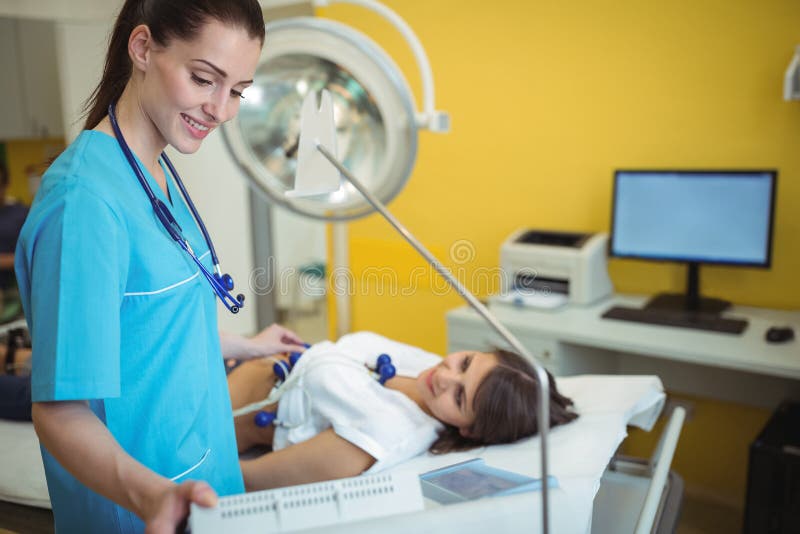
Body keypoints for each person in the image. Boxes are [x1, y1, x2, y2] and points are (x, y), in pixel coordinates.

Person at [12, 1, 282, 532]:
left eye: (237, 91)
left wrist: (245, 344)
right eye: (205, 79)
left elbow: (146, 321)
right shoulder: (84, 203)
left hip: (207, 476)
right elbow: (59, 411)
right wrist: (151, 495)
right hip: (142, 507)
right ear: (142, 48)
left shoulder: (154, 172)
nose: (221, 110)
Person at [227, 332, 578, 490]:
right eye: (465, 361)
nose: (444, 376)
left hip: (213, 409)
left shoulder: (383, 432)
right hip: (234, 353)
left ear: (468, 430)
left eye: (459, 397)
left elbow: (248, 477)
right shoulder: (425, 365)